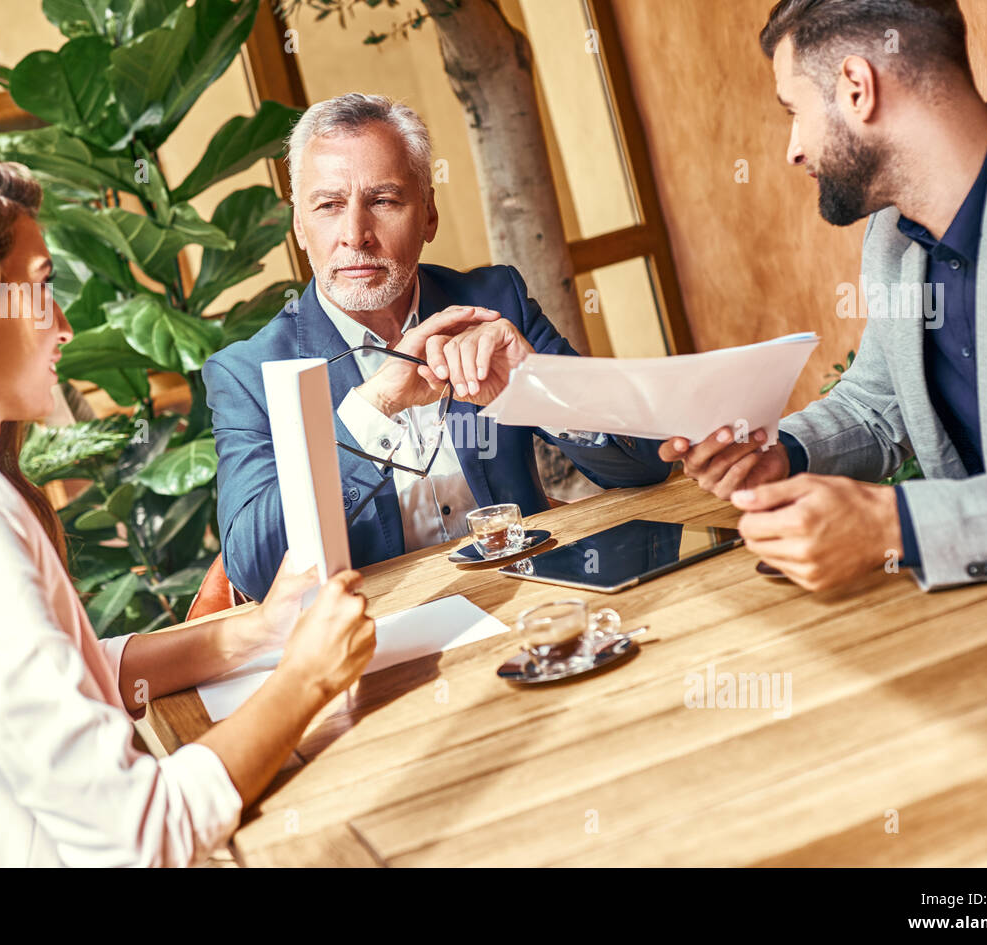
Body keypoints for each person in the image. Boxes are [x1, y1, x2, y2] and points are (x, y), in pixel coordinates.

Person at [0, 153, 375, 866]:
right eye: (42, 289)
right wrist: (305, 677)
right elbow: (142, 834)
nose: (64, 326)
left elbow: (65, 668)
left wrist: (257, 631)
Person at [661, 0, 987, 591]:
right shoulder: (892, 239)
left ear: (857, 88)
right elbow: (879, 404)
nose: (792, 149)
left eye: (795, 111)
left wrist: (901, 527)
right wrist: (782, 451)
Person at [205, 93, 675, 601]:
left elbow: (647, 463)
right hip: (382, 640)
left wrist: (537, 387)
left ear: (428, 214)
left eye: (383, 201)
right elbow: (254, 569)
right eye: (329, 206)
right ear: (299, 224)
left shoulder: (494, 302)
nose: (355, 234)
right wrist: (374, 407)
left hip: (537, 602)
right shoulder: (248, 373)